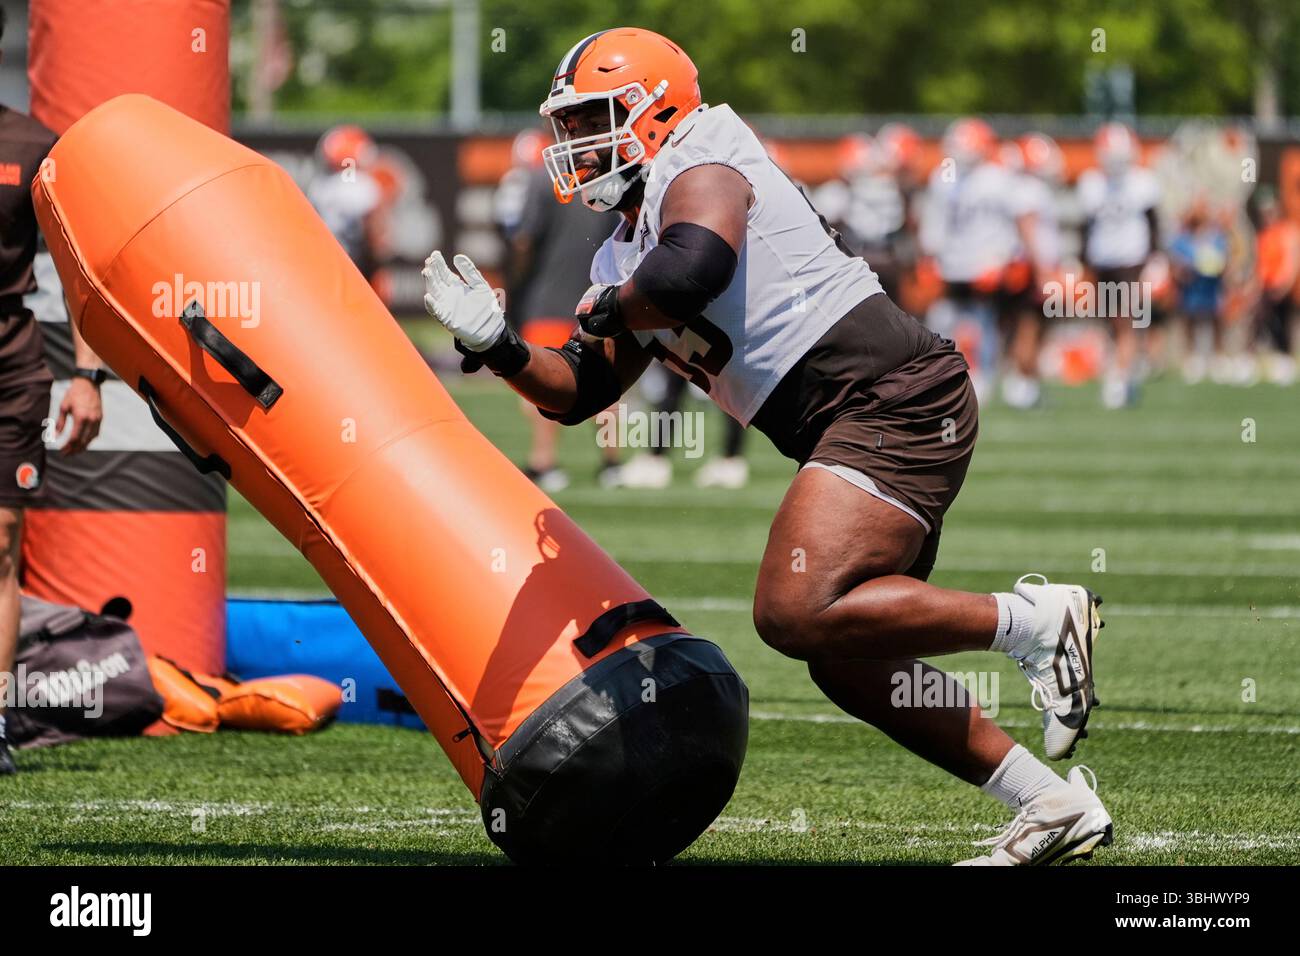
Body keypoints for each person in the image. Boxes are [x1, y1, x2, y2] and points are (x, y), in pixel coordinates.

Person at [422, 27, 1110, 865]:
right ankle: (1050, 804)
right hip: (852, 414)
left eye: (594, 117)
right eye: (570, 125)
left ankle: (1036, 621)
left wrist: (611, 307)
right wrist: (498, 344)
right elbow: (578, 391)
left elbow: (692, 271)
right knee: (842, 653)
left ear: (653, 110)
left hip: (889, 393)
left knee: (794, 608)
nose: (577, 143)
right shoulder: (624, 244)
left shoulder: (702, 158)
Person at [0, 8, 104, 775]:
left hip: (11, 364)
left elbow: (81, 274)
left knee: (1, 544)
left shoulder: (35, 147)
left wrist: (88, 375)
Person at [494, 128, 622, 491]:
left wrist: (515, 285)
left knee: (544, 376)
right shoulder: (595, 182)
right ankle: (612, 464)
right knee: (607, 378)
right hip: (595, 293)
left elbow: (523, 241)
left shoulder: (538, 181)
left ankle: (544, 461)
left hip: (549, 295)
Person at [918, 118, 1036, 403]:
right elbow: (935, 223)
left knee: (985, 322)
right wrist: (930, 256)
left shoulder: (996, 178)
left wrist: (1013, 256)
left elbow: (1016, 220)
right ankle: (952, 375)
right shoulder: (943, 178)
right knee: (948, 321)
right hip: (953, 262)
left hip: (987, 263)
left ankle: (983, 376)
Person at [1076, 122, 1161, 408]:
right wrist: (1083, 264)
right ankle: (1122, 372)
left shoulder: (1143, 181)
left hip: (1131, 259)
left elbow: (1154, 223)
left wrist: (1156, 259)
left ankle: (1120, 379)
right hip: (1102, 260)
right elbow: (1085, 227)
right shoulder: (1091, 183)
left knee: (1125, 320)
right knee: (1108, 322)